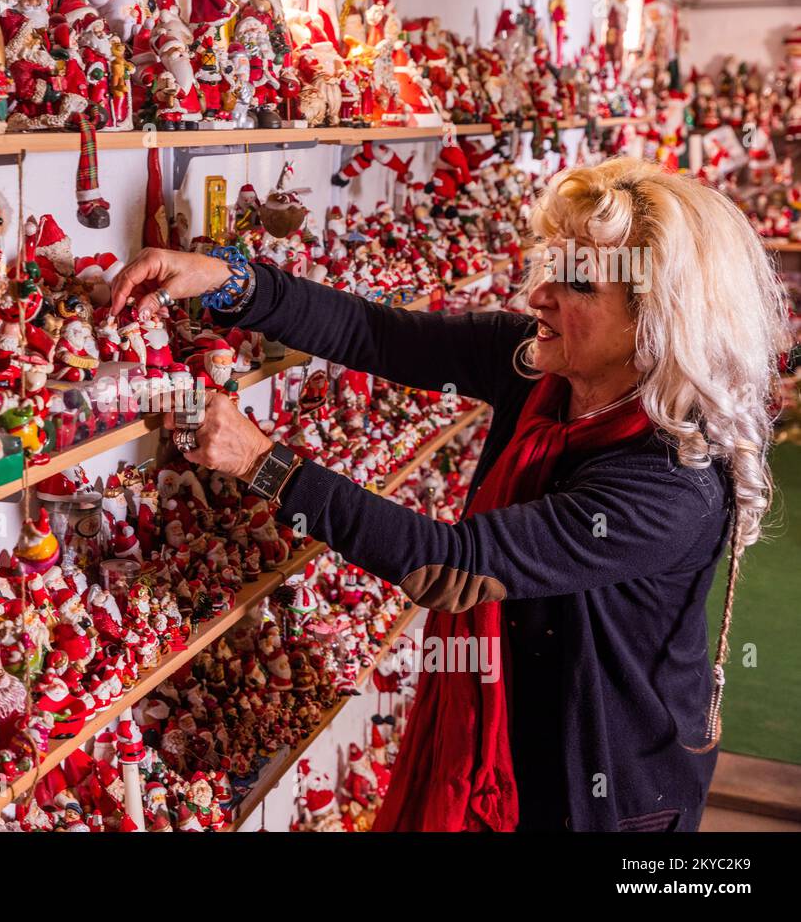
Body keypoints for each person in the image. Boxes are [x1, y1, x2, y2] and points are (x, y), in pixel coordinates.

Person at [108, 159, 790, 831]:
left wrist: (264, 462)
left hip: (603, 791)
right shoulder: (538, 366)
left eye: (578, 282)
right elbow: (380, 335)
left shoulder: (669, 484)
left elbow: (449, 565)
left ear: (655, 324)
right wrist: (232, 281)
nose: (539, 295)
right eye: (552, 264)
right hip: (511, 736)